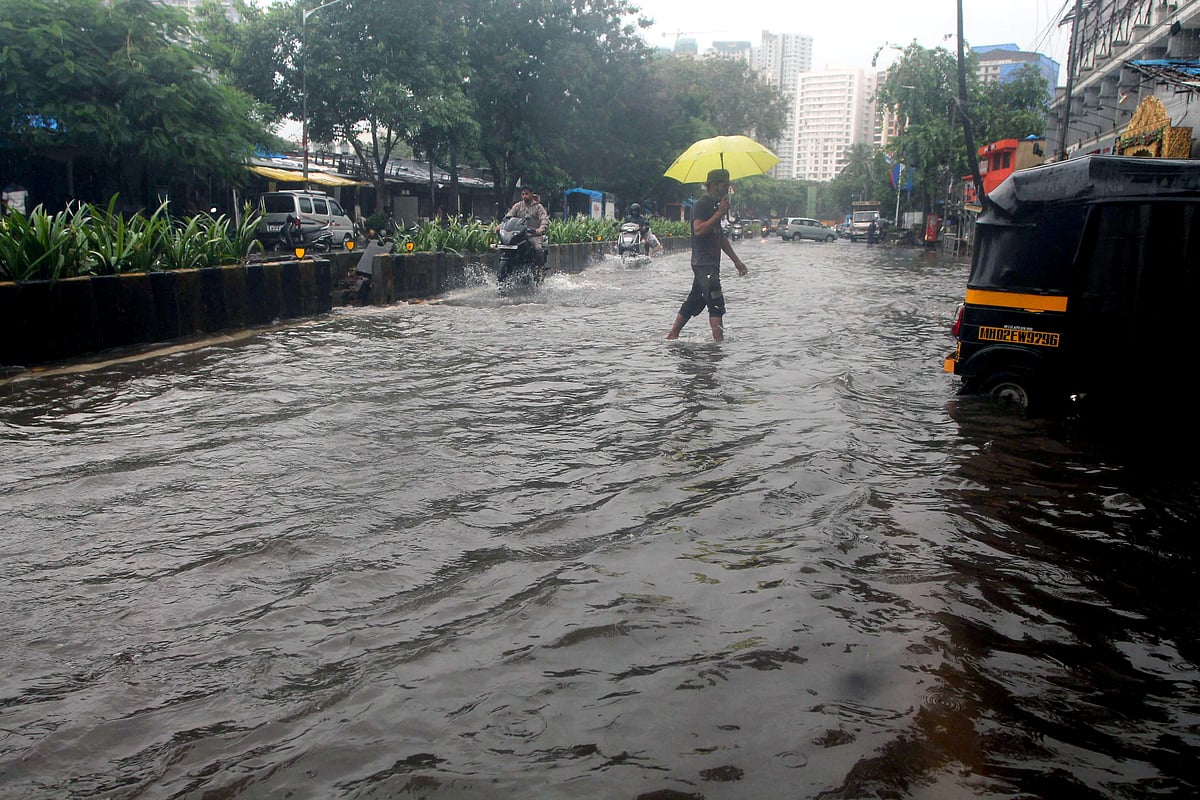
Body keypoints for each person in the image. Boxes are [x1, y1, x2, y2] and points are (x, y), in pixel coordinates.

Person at [666, 168, 748, 342]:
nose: (727, 189)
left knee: (695, 300)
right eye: (725, 185)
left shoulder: (714, 206)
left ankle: (672, 336)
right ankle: (718, 349)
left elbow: (720, 237)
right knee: (716, 304)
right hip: (704, 263)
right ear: (714, 185)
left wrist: (736, 261)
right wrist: (719, 213)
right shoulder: (702, 205)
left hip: (709, 263)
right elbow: (699, 229)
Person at [506, 186, 550, 266]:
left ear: (532, 194)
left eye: (527, 194)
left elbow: (544, 219)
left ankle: (539, 269)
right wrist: (501, 225)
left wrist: (541, 228)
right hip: (519, 235)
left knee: (538, 248)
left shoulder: (538, 207)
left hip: (534, 235)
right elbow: (508, 217)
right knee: (506, 246)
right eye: (523, 194)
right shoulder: (517, 206)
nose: (524, 196)